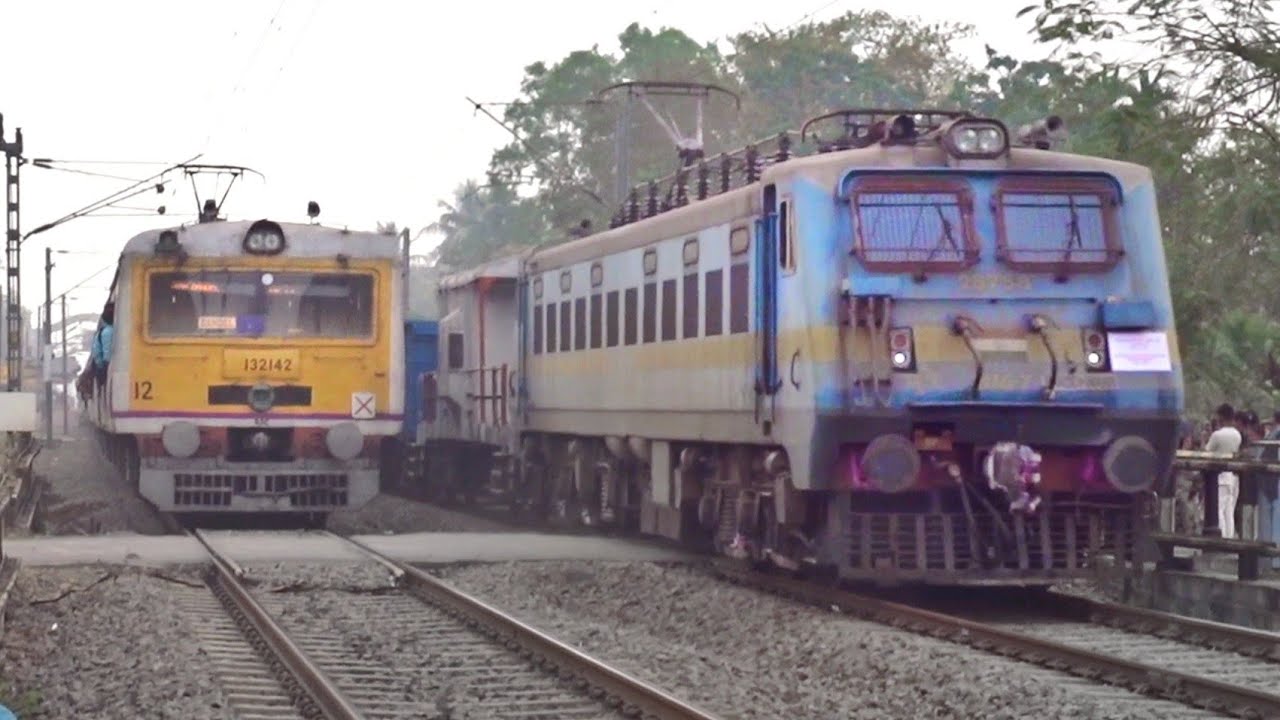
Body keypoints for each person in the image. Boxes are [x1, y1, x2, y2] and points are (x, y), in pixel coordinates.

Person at [1206, 403, 1244, 538]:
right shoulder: (1237, 434)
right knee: (1229, 511)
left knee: (1219, 509)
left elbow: (1207, 450)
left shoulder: (1217, 435)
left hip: (1220, 476)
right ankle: (1229, 537)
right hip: (1233, 476)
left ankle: (1221, 536)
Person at [90, 302, 114, 388]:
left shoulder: (104, 332)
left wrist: (102, 367)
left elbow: (100, 353)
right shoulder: (111, 331)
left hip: (103, 368)